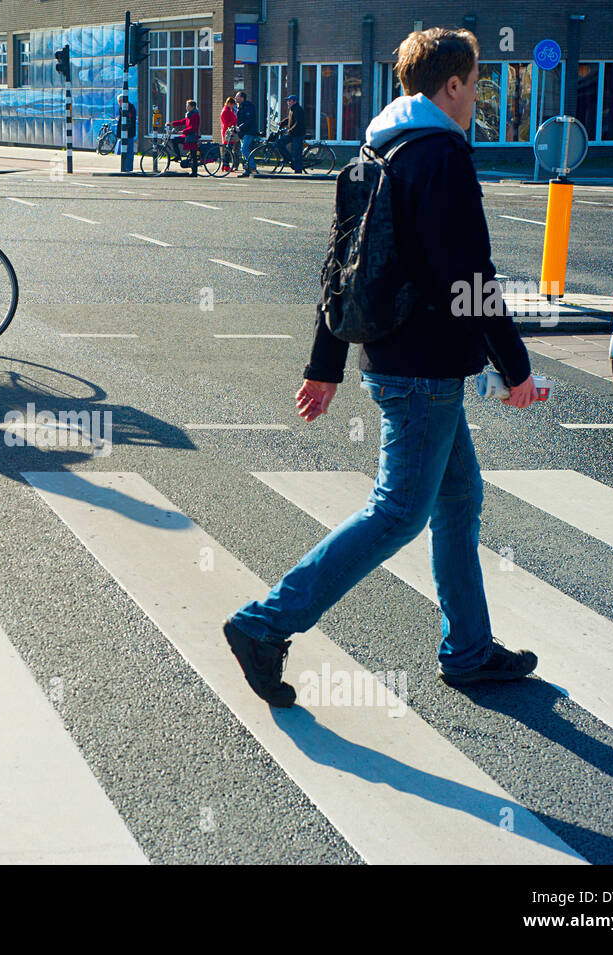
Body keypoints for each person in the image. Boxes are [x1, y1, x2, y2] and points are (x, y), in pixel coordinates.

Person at [223, 27, 540, 708]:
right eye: (477, 81)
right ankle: (265, 622)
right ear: (451, 85)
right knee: (399, 511)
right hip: (425, 370)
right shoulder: (441, 157)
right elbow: (470, 275)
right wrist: (515, 368)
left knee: (458, 499)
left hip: (395, 359)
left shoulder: (371, 152)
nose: (478, 93)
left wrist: (326, 364)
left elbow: (341, 268)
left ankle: (469, 648)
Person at [167, 99, 201, 176]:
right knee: (175, 140)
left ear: (192, 107)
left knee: (193, 155)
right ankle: (178, 156)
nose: (186, 107)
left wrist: (183, 131)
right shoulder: (189, 114)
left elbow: (193, 127)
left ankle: (194, 173)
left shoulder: (195, 115)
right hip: (187, 135)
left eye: (188, 106)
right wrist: (171, 124)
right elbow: (182, 121)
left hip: (192, 136)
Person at [274, 93, 306, 173]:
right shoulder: (292, 109)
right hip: (292, 134)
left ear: (294, 102)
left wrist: (290, 130)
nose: (288, 102)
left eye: (289, 101)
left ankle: (298, 171)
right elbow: (290, 119)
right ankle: (289, 159)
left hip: (298, 134)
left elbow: (298, 123)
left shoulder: (298, 109)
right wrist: (282, 123)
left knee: (297, 152)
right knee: (280, 142)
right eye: (287, 101)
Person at [234, 91, 258, 177]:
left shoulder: (248, 107)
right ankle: (247, 169)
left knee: (244, 149)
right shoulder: (240, 107)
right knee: (243, 151)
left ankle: (252, 167)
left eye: (237, 97)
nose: (235, 98)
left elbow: (249, 120)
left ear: (242, 98)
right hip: (243, 132)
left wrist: (240, 127)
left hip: (249, 131)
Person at [116, 92, 137, 174]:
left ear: (122, 101)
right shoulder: (123, 107)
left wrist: (126, 131)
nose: (118, 103)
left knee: (129, 150)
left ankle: (128, 167)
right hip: (124, 133)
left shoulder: (129, 107)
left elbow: (129, 120)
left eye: (119, 101)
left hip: (128, 133)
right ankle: (125, 166)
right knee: (125, 150)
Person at [219, 96, 238, 172]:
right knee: (228, 149)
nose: (233, 106)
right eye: (233, 104)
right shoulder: (226, 111)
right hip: (228, 132)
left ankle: (225, 166)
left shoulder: (227, 110)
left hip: (227, 130)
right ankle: (226, 166)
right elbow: (228, 122)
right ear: (229, 103)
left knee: (227, 149)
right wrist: (232, 127)